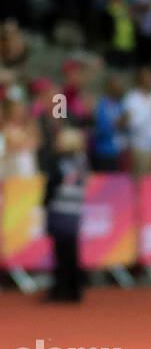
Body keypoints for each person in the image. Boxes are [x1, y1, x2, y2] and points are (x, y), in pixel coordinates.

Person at [43, 125, 88, 302]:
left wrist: (45, 202)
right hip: (75, 211)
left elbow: (51, 186)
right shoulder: (82, 161)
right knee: (72, 252)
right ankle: (74, 290)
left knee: (61, 253)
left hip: (59, 210)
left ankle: (61, 290)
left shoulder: (59, 162)